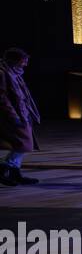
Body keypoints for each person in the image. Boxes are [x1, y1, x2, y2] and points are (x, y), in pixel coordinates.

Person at [0, 47, 41, 186]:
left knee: (23, 144)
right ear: (14, 61)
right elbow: (2, 98)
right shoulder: (3, 73)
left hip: (23, 114)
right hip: (12, 116)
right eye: (23, 61)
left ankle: (14, 173)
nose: (25, 64)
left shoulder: (15, 73)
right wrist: (13, 116)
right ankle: (4, 168)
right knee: (22, 144)